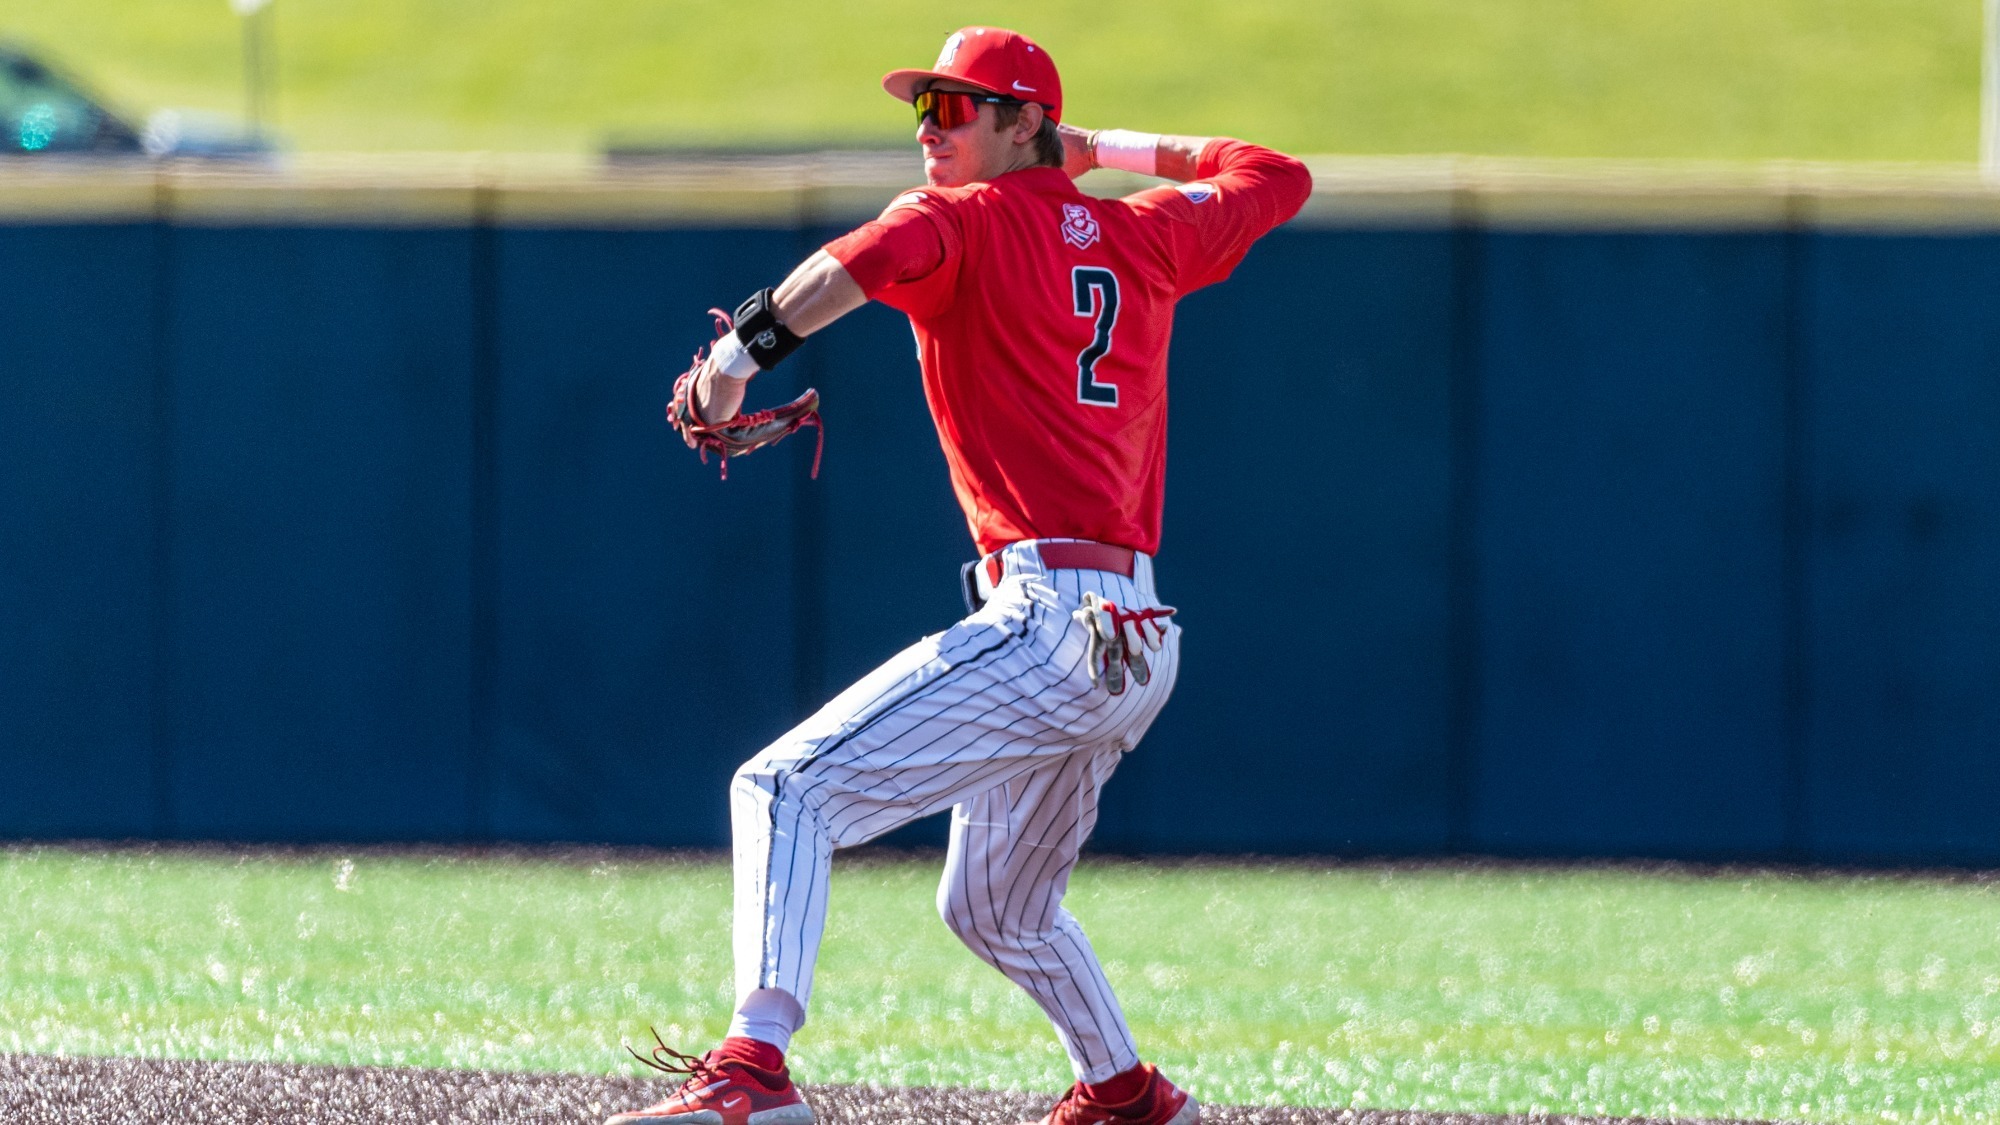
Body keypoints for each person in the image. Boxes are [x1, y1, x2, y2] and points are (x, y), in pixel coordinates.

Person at [609, 25, 1311, 1125]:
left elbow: (854, 264)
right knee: (996, 907)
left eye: (956, 109)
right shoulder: (1146, 236)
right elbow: (1273, 173)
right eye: (922, 109)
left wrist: (733, 359)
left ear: (1021, 122)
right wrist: (1095, 150)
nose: (928, 131)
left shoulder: (964, 220)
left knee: (781, 791)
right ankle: (1123, 1092)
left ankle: (754, 1069)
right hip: (1138, 639)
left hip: (1049, 620)